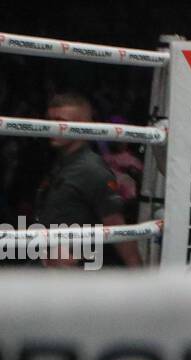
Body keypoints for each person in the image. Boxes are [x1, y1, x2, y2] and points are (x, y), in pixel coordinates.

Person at [35, 93, 141, 268]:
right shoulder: (61, 163)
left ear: (82, 126)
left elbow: (115, 225)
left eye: (61, 121)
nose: (53, 127)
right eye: (50, 120)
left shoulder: (92, 169)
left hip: (76, 274)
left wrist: (141, 280)